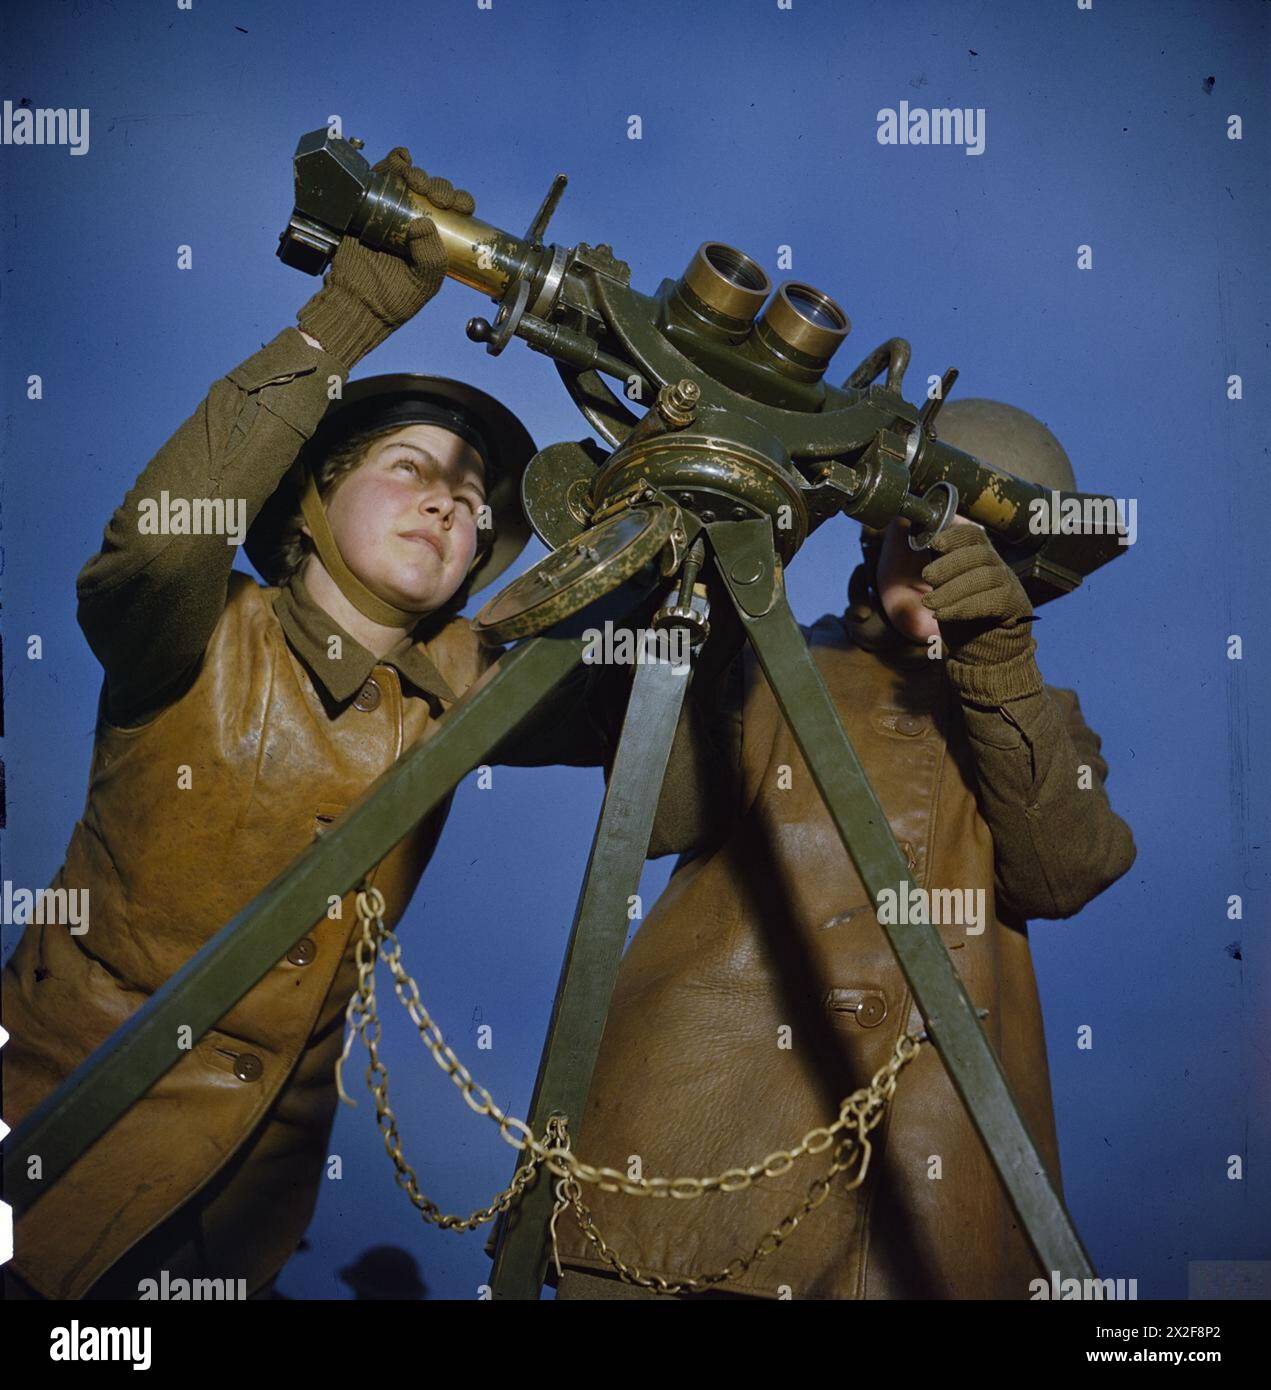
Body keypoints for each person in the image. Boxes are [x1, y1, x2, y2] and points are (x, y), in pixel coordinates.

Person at [0, 147, 626, 1301]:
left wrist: (666, 516)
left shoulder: (473, 689)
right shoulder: (201, 635)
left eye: (476, 494)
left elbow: (663, 753)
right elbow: (154, 546)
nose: (454, 495)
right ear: (308, 495)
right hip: (48, 1167)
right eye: (410, 465)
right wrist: (347, 314)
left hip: (235, 1234)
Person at [551, 398, 1137, 1300]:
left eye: (988, 545)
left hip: (926, 1208)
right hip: (683, 1176)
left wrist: (998, 666)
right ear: (875, 533)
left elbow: (1065, 867)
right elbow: (660, 816)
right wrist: (704, 597)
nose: (951, 560)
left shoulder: (1042, 718)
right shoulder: (765, 664)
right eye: (931, 526)